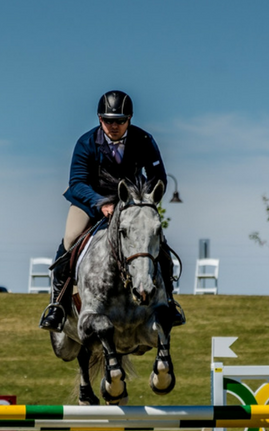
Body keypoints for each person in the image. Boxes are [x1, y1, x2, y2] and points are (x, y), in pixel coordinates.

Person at [39, 90, 185, 332]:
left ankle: (168, 301)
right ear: (99, 118)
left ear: (129, 119)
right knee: (70, 241)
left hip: (130, 204)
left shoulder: (144, 140)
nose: (113, 126)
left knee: (159, 244)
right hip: (92, 203)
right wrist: (101, 203)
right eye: (108, 120)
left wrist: (142, 201)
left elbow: (157, 177)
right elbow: (76, 182)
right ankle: (58, 306)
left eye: (119, 120)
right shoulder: (86, 142)